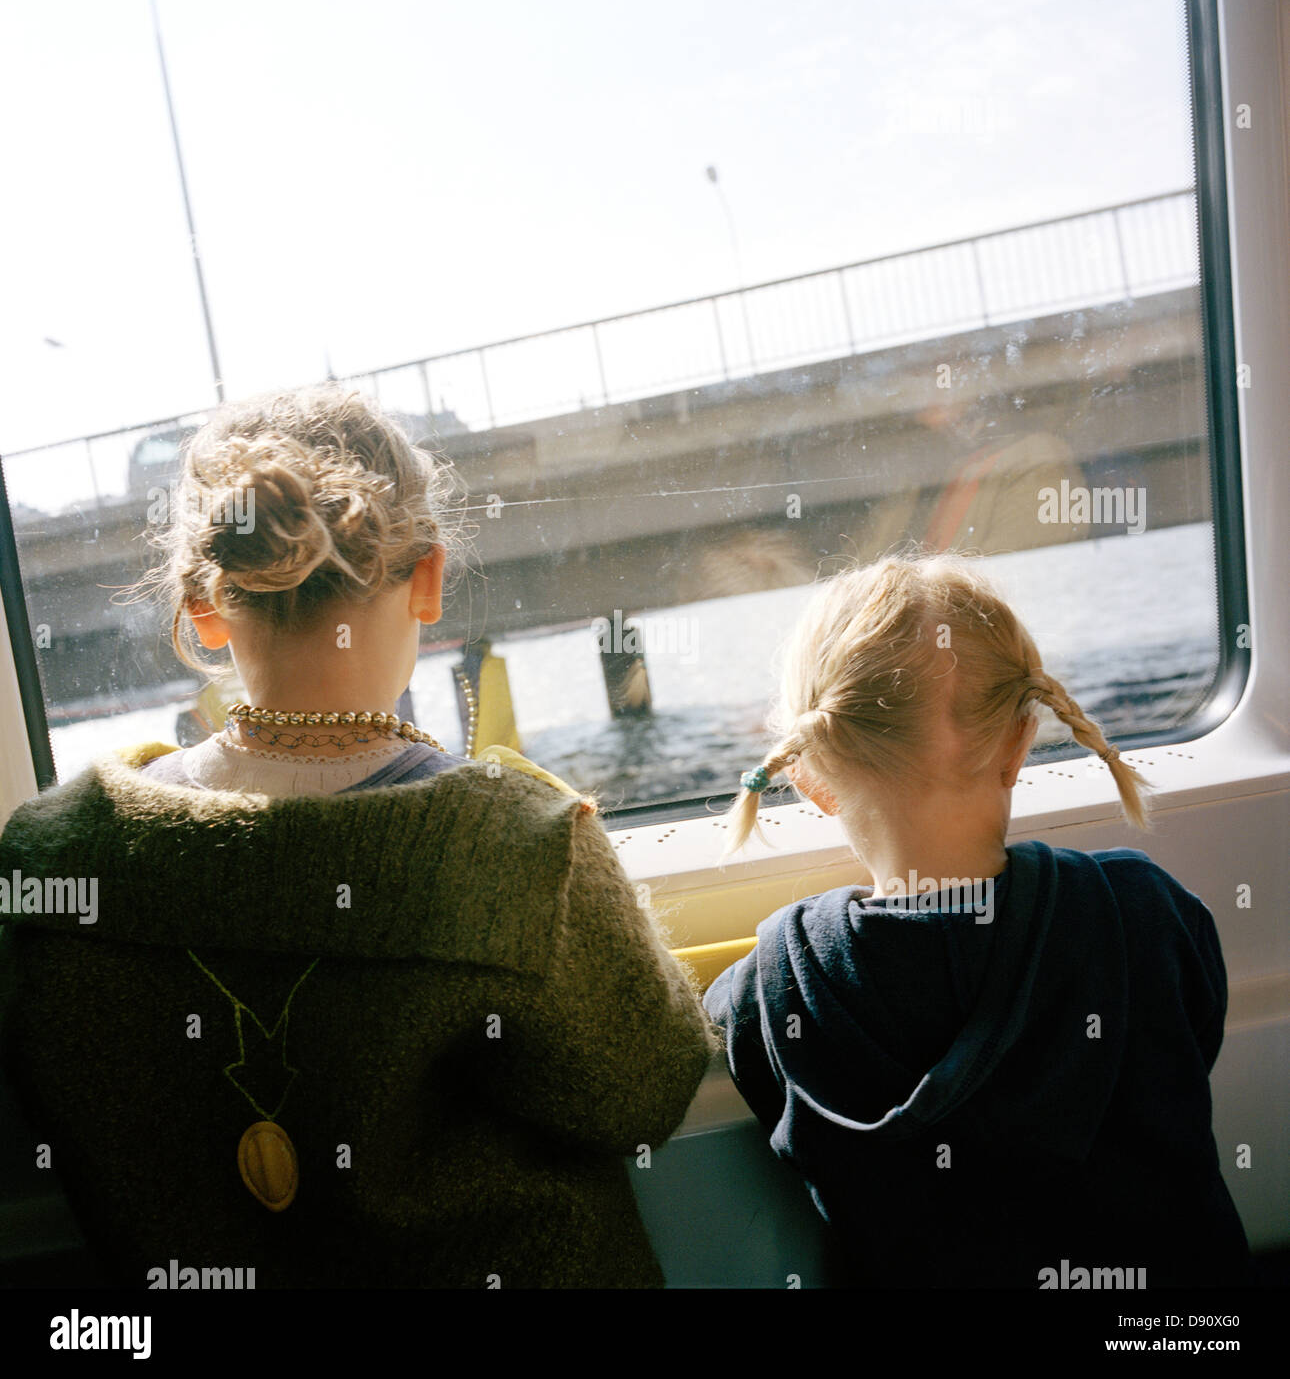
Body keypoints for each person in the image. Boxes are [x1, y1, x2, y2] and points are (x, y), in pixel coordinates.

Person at [0, 385, 715, 1288]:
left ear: (205, 608)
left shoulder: (58, 859)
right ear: (429, 578)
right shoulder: (514, 846)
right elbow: (644, 1087)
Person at [703, 553, 1253, 1288]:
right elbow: (1193, 1038)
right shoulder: (1144, 913)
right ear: (1019, 745)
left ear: (810, 781)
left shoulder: (773, 990)